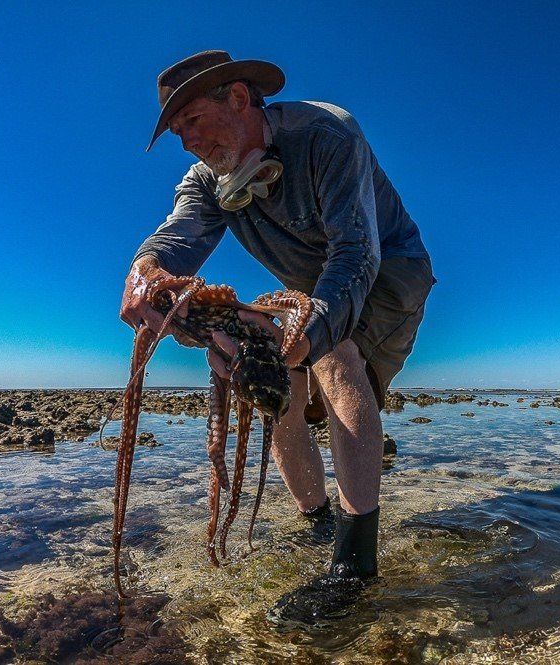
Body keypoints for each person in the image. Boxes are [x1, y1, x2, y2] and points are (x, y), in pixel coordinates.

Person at [120, 50, 434, 626]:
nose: (187, 142)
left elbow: (355, 255)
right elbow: (177, 237)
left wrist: (312, 329)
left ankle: (354, 564)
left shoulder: (326, 134)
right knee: (268, 375)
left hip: (388, 271)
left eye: (192, 121)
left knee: (335, 355)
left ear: (238, 98)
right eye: (176, 131)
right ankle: (317, 522)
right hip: (306, 284)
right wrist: (146, 269)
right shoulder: (207, 181)